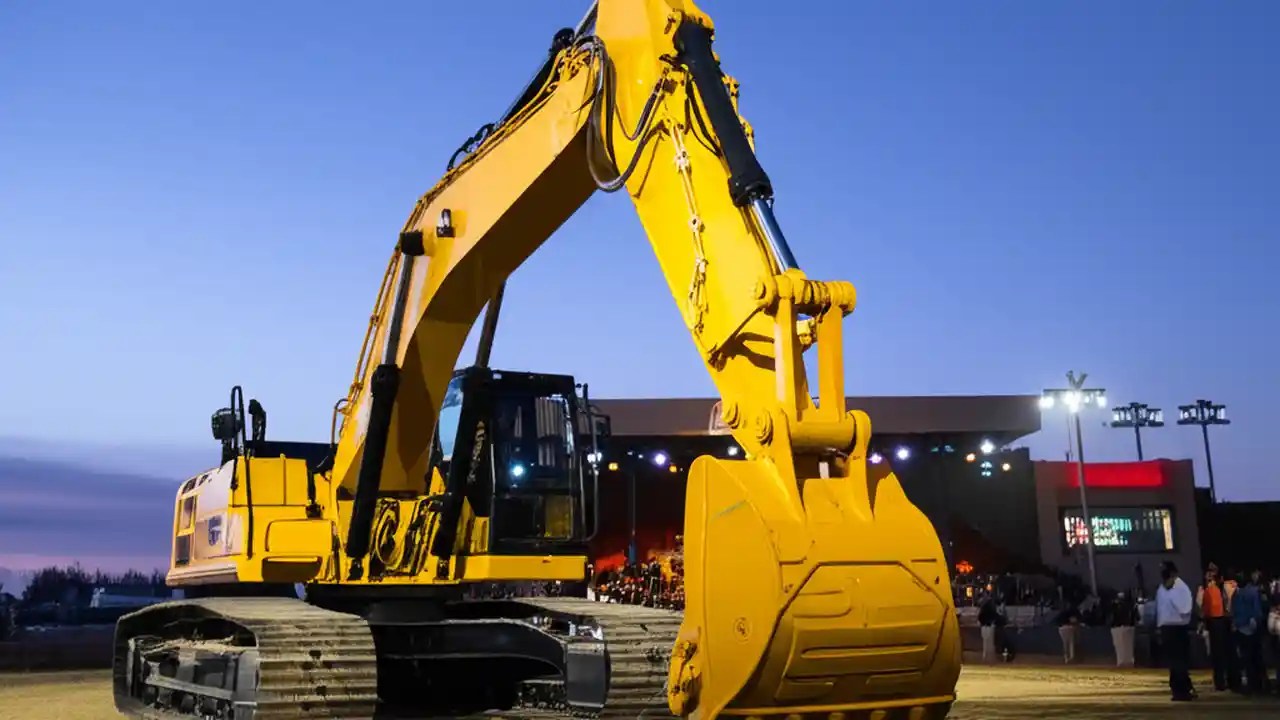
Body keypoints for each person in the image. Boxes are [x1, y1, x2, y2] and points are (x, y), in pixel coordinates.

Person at [1197, 563, 1241, 692]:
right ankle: (1221, 682)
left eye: (1213, 572)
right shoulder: (1207, 589)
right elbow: (1202, 607)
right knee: (1219, 654)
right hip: (1215, 621)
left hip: (1225, 620)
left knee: (1229, 653)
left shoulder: (1227, 586)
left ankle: (1231, 681)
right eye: (1209, 572)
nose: (1211, 575)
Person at [1157, 561, 1196, 702]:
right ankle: (1179, 690)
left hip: (1177, 628)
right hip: (1169, 628)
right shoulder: (1164, 588)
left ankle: (1182, 690)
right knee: (1175, 662)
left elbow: (1184, 608)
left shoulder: (1179, 587)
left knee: (1179, 661)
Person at [1232, 570, 1268, 695]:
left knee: (1248, 658)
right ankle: (1259, 684)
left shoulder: (1238, 594)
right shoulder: (1251, 591)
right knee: (1255, 658)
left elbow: (1236, 611)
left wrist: (1237, 624)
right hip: (1250, 627)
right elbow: (1257, 610)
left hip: (1244, 627)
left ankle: (1254, 684)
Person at [1110, 591, 1138, 667]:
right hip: (1127, 627)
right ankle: (1128, 661)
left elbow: (1112, 618)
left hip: (1119, 628)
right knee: (1128, 646)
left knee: (1120, 646)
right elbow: (1136, 617)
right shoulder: (1130, 605)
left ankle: (1122, 661)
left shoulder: (1114, 606)